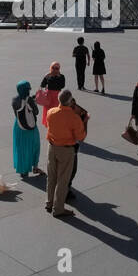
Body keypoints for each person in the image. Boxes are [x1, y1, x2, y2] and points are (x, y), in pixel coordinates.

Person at [44, 89, 85, 218]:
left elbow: (49, 125)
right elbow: (81, 136)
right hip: (66, 150)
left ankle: (49, 202)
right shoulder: (74, 117)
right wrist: (85, 121)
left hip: (52, 148)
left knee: (51, 176)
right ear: (70, 101)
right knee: (63, 180)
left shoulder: (51, 112)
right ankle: (58, 208)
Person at [11, 81, 43, 179]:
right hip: (31, 128)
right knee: (34, 146)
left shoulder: (14, 100)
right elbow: (36, 112)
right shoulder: (29, 100)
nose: (29, 90)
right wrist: (33, 102)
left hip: (19, 126)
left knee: (21, 148)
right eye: (28, 89)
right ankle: (35, 167)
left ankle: (23, 171)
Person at [65, 93, 89, 202]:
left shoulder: (53, 113)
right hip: (70, 149)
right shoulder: (75, 120)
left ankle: (58, 193)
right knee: (71, 171)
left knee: (60, 172)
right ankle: (65, 192)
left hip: (55, 147)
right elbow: (82, 137)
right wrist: (85, 122)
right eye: (74, 106)